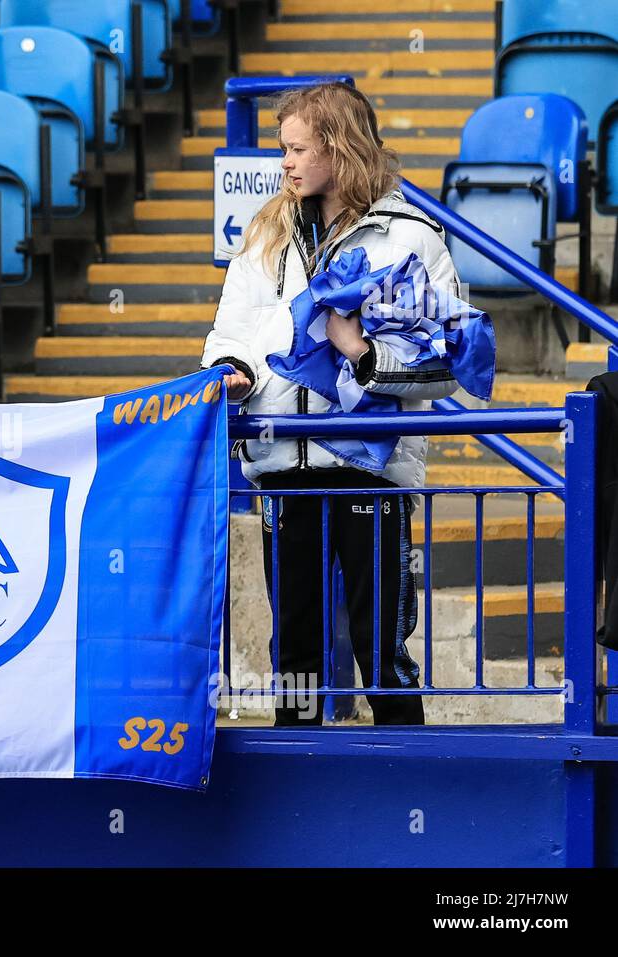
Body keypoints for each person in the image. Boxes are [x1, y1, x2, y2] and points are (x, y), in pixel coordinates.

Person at [200, 82, 466, 726]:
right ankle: (295, 751)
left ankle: (404, 757)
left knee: (381, 638)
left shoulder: (412, 237)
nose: (284, 163)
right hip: (281, 462)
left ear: (341, 150)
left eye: (297, 149)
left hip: (367, 465)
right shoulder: (264, 231)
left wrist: (364, 354)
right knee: (292, 636)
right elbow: (232, 330)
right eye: (281, 149)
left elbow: (450, 360)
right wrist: (228, 369)